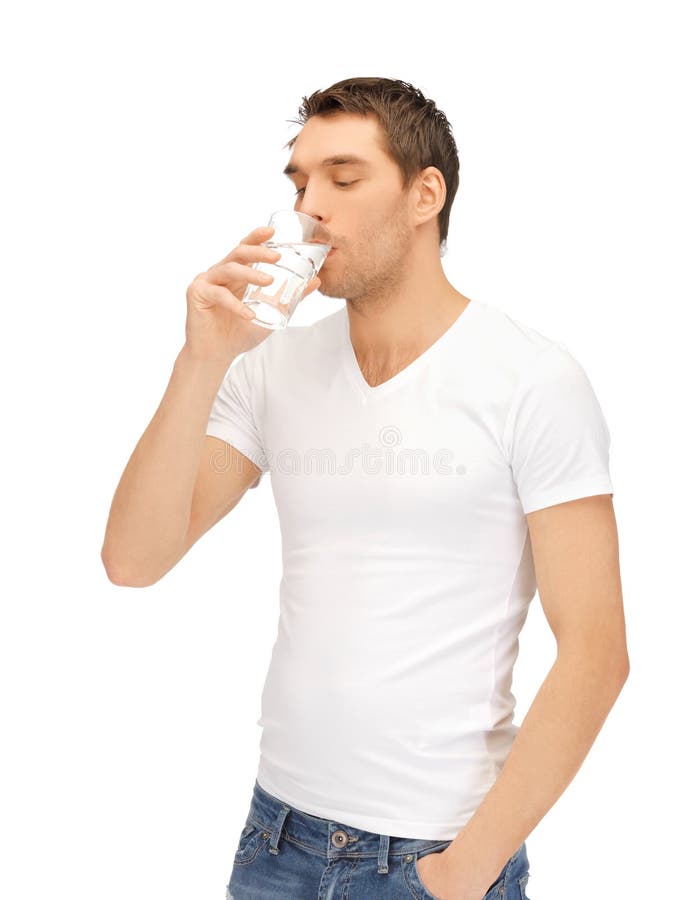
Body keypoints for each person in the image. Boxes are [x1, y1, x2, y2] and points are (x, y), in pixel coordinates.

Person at [101, 77, 630, 900]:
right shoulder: (271, 367)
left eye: (343, 179)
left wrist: (466, 870)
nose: (311, 206)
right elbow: (133, 559)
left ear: (425, 195)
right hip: (274, 836)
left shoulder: (531, 379)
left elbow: (596, 653)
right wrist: (202, 356)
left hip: (433, 854)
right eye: (299, 182)